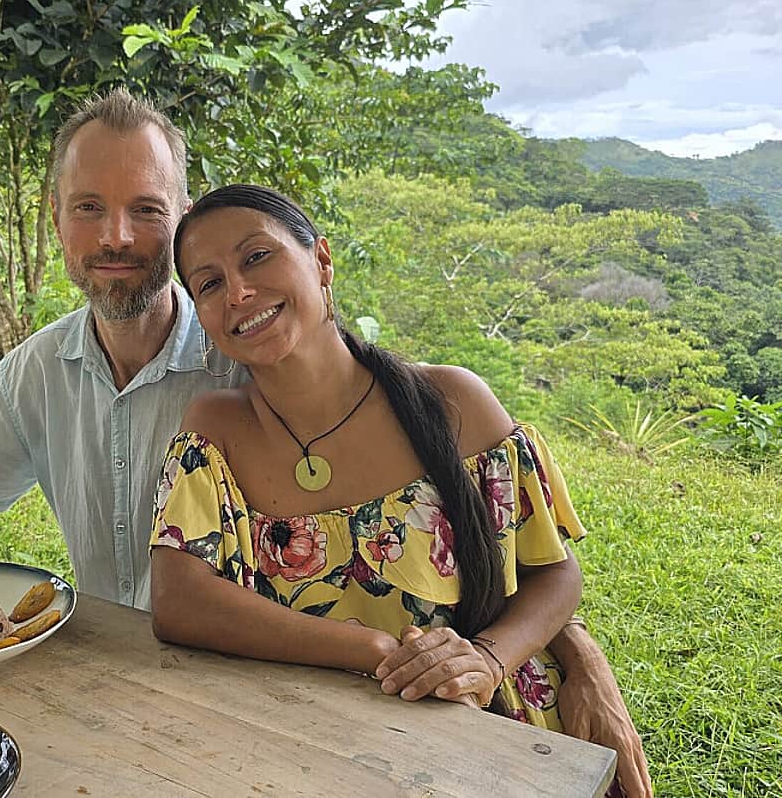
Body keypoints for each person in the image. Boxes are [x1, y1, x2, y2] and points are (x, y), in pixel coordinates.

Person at [0, 88, 650, 796]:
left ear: (182, 215)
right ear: (57, 219)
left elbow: (459, 497)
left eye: (145, 209)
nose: (116, 236)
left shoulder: (255, 358)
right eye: (89, 207)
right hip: (129, 689)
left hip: (300, 705)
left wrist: (576, 656)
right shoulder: (42, 372)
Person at [152, 183, 650, 797]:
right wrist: (373, 650)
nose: (238, 293)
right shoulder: (216, 429)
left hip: (499, 727)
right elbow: (179, 601)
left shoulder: (451, 401)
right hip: (324, 749)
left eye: (257, 257)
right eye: (209, 284)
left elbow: (554, 572)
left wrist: (487, 659)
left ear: (322, 261)